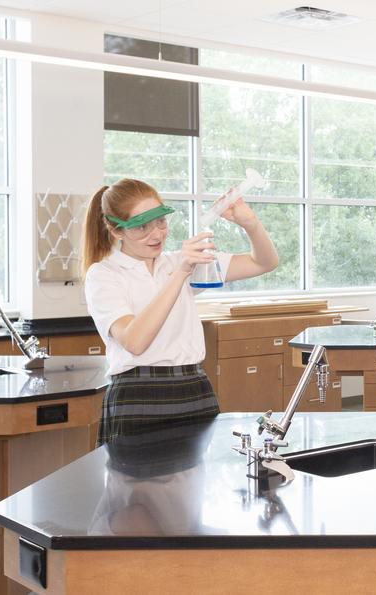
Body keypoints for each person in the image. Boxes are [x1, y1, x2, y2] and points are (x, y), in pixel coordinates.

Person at [82, 178, 279, 445]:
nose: (156, 234)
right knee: (138, 485)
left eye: (161, 222)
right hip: (138, 394)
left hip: (194, 386)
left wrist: (250, 223)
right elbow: (135, 341)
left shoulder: (177, 261)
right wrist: (181, 273)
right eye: (141, 227)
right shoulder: (104, 275)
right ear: (116, 231)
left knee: (194, 484)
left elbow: (263, 263)